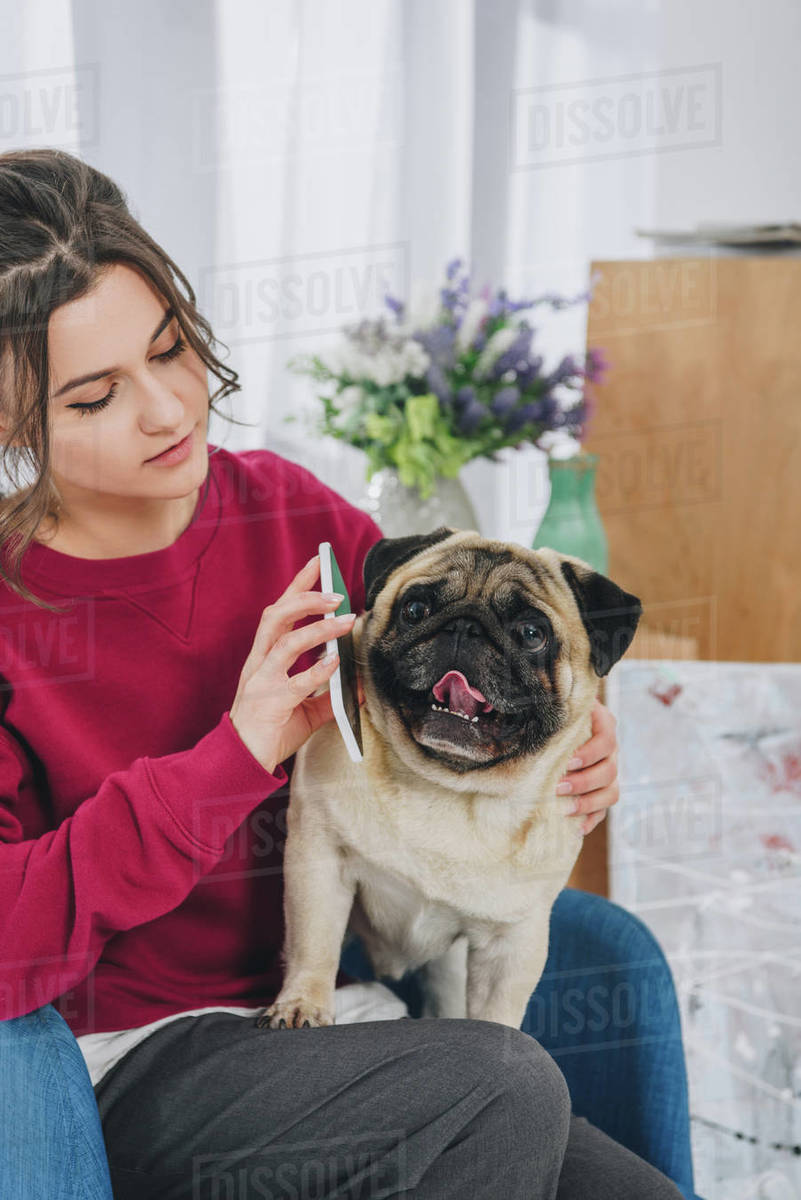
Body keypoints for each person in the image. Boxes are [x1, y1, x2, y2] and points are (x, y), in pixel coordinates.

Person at [0, 148, 686, 1199]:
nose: (170, 410)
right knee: (506, 1084)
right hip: (124, 1061)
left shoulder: (291, 513)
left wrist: (572, 748)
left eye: (172, 349)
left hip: (340, 1024)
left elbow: (461, 675)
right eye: (95, 397)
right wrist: (234, 754)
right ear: (13, 424)